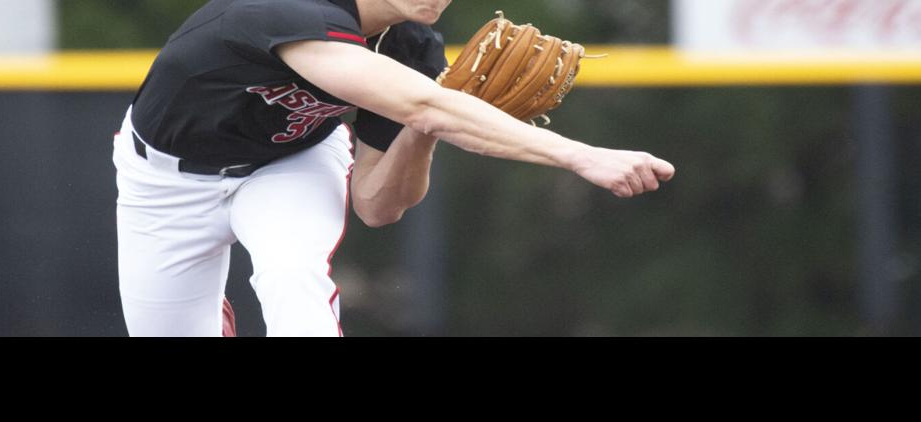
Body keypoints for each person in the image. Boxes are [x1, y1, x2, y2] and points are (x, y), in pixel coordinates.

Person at [114, 0, 675, 337]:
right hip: (164, 182)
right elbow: (425, 104)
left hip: (287, 165)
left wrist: (422, 131)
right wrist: (583, 154)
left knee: (292, 276)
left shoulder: (413, 46)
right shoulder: (286, 6)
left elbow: (379, 204)